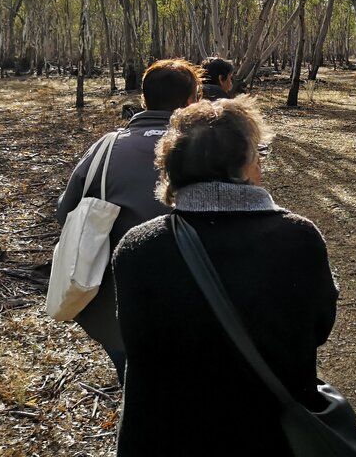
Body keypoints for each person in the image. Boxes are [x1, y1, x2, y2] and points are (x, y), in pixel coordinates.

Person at [112, 96, 339, 456]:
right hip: (270, 435)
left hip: (165, 437)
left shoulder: (138, 247)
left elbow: (135, 343)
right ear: (247, 164)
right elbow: (320, 327)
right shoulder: (298, 238)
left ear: (171, 166)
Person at [56, 58, 202, 384]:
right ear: (190, 101)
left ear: (145, 98)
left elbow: (65, 213)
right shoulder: (206, 149)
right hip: (193, 303)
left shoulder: (105, 147)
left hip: (115, 309)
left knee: (134, 381)